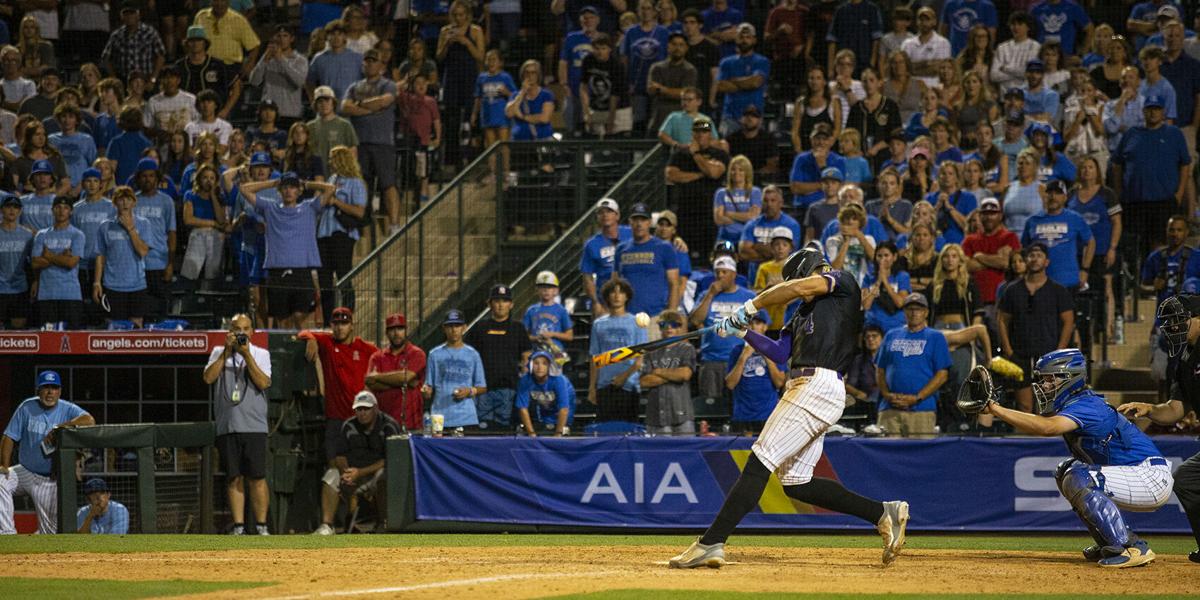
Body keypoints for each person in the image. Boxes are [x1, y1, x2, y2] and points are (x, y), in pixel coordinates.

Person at [668, 245, 909, 569]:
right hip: (805, 386)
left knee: (760, 459)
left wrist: (750, 305)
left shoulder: (842, 282)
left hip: (817, 385)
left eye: (795, 280)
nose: (795, 288)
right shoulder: (802, 313)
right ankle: (882, 512)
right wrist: (744, 332)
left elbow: (797, 288)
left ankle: (711, 542)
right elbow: (781, 353)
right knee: (797, 481)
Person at [978, 349, 1169, 567]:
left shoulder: (1087, 405)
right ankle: (1109, 542)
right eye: (1043, 379)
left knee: (1079, 476)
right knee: (1065, 470)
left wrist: (996, 409)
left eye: (1050, 379)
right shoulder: (1074, 403)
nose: (1044, 385)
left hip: (1149, 477)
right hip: (1135, 473)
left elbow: (1047, 427)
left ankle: (1129, 547)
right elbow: (1041, 423)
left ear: (1070, 378)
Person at [1118, 295, 1200, 564]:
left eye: (1179, 321)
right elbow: (1176, 409)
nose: (1173, 328)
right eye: (1170, 324)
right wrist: (1150, 409)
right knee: (1186, 479)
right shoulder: (1185, 358)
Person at [1, 371, 94, 536]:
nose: (50, 392)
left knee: (49, 534)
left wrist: (61, 427)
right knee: (1, 479)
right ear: (38, 390)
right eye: (46, 388)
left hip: (48, 480)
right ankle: (7, 533)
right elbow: (9, 437)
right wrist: (4, 465)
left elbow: (89, 420)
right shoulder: (27, 407)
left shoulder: (67, 408)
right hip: (25, 471)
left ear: (60, 391)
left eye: (54, 388)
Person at [203, 313, 272, 535]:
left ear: (252, 331)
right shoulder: (218, 352)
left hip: (254, 426)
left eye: (245, 328)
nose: (241, 333)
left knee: (257, 477)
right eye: (237, 329)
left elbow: (263, 382)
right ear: (230, 331)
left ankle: (261, 527)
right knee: (234, 478)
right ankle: (239, 527)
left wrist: (246, 355)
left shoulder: (261, 353)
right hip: (228, 426)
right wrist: (226, 352)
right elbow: (208, 378)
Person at [238, 172, 336, 328]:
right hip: (277, 272)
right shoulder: (270, 207)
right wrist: (272, 183)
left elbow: (330, 188)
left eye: (293, 187)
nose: (289, 191)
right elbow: (244, 189)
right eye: (285, 187)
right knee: (283, 322)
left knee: (301, 319)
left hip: (302, 272)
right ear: (280, 190)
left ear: (299, 191)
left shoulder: (309, 207)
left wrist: (306, 184)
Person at [997, 243, 1075, 413]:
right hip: (1020, 355)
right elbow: (1002, 320)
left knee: (1048, 407)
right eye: (1031, 255)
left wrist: (1059, 351)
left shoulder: (1058, 290)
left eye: (1039, 255)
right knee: (1023, 407)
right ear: (1026, 260)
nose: (1035, 259)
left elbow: (1068, 321)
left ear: (1046, 262)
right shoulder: (1012, 290)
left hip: (1048, 355)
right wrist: (1008, 351)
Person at [1111, 94, 1191, 259]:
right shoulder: (1131, 134)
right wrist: (1118, 192)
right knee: (1134, 246)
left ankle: (1160, 274)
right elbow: (1117, 164)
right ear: (1143, 111)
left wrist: (1180, 193)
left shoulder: (1174, 134)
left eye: (1157, 109)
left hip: (1164, 201)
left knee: (1161, 247)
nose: (1153, 113)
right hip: (1134, 202)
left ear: (1163, 112)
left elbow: (1185, 164)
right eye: (1149, 109)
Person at [314, 390, 401, 535]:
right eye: (359, 409)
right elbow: (340, 455)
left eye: (366, 409)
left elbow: (391, 459)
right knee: (331, 475)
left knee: (384, 475)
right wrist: (346, 473)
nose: (362, 413)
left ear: (375, 408)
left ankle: (383, 523)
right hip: (353, 474)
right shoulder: (349, 426)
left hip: (375, 474)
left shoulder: (389, 426)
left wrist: (360, 473)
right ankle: (327, 525)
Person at [300, 307, 379, 464]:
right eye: (336, 324)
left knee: (360, 465)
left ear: (352, 326)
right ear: (331, 325)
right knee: (334, 466)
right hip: (336, 419)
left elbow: (383, 360)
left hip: (360, 418)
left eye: (344, 323)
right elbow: (302, 333)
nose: (340, 328)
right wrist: (311, 339)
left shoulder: (366, 348)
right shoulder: (327, 343)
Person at [873, 292, 949, 437]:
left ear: (926, 312)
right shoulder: (891, 335)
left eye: (918, 309)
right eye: (910, 309)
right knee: (885, 450)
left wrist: (917, 397)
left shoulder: (936, 337)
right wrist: (886, 395)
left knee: (920, 451)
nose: (914, 313)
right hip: (889, 408)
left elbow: (942, 375)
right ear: (904, 311)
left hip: (922, 409)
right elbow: (880, 369)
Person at [342, 48, 398, 229]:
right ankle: (364, 226)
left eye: (374, 61)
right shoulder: (354, 86)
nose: (370, 64)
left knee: (388, 184)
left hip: (383, 143)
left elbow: (384, 101)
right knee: (362, 185)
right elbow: (345, 107)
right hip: (359, 144)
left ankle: (394, 225)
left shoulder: (388, 84)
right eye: (367, 61)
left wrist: (359, 106)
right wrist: (370, 109)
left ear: (381, 65)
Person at [690, 254, 755, 404]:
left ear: (734, 274)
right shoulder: (705, 295)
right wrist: (710, 294)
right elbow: (695, 320)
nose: (720, 275)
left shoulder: (748, 296)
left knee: (738, 404)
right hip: (711, 360)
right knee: (711, 406)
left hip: (739, 359)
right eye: (717, 272)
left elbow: (760, 324)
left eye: (724, 272)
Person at [465, 284, 530, 430]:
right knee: (483, 429)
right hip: (483, 389)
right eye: (497, 301)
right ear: (489, 304)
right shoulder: (479, 327)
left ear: (511, 304)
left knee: (504, 429)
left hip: (509, 388)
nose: (501, 305)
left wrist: (524, 379)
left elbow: (526, 355)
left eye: (505, 301)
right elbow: (468, 355)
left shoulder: (518, 328)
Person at [588, 277, 647, 423]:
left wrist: (623, 377)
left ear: (627, 296)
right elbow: (595, 358)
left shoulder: (637, 322)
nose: (616, 296)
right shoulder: (598, 324)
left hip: (629, 386)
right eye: (613, 292)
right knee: (605, 431)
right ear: (607, 296)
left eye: (621, 292)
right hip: (604, 385)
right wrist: (592, 387)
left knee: (628, 431)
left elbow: (639, 361)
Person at [665, 119, 729, 251]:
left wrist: (696, 154)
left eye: (704, 131)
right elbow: (671, 175)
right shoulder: (680, 153)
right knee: (684, 250)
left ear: (710, 134)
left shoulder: (719, 154)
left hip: (710, 213)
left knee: (709, 252)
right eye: (697, 131)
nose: (700, 135)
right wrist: (701, 174)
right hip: (685, 212)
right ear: (692, 133)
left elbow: (714, 173)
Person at [93, 186, 152, 327]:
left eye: (128, 199)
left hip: (137, 284)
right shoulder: (105, 226)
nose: (125, 203)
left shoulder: (144, 224)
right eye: (121, 199)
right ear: (114, 203)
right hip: (112, 285)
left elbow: (143, 252)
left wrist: (130, 228)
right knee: (113, 326)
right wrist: (97, 282)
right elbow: (100, 256)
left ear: (134, 202)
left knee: (136, 325)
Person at [1022, 179, 1094, 292]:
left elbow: (1090, 242)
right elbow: (1024, 248)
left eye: (1057, 193)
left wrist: (1085, 270)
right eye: (1050, 193)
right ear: (1044, 196)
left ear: (1065, 197)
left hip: (1068, 282)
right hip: (1039, 283)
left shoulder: (1075, 218)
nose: (1053, 196)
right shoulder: (1032, 221)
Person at [422, 309, 488, 431]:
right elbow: (428, 385)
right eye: (450, 326)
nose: (454, 330)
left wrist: (469, 391)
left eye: (457, 326)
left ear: (464, 327)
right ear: (444, 328)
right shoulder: (434, 354)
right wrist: (426, 391)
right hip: (440, 417)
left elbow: (482, 387)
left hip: (466, 417)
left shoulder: (473, 355)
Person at [614, 202, 680, 320]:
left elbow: (674, 284)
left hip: (656, 316)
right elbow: (615, 283)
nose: (639, 224)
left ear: (649, 222)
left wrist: (670, 315)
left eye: (643, 219)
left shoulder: (664, 248)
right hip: (626, 316)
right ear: (630, 222)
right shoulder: (621, 249)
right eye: (635, 219)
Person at [131, 158, 176, 322]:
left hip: (159, 262)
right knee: (139, 310)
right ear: (138, 178)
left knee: (160, 310)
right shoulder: (132, 202)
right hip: (136, 263)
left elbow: (171, 233)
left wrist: (170, 264)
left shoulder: (166, 201)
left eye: (151, 176)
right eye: (144, 176)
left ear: (157, 178)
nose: (148, 179)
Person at [724, 312, 785, 434]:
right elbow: (730, 384)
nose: (752, 327)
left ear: (765, 327)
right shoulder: (737, 350)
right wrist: (743, 357)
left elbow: (779, 383)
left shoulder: (775, 349)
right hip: (743, 416)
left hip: (768, 415)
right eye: (749, 323)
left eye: (757, 323)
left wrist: (766, 354)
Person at [31, 196, 85, 328]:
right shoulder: (42, 234)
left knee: (71, 337)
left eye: (66, 208)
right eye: (58, 207)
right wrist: (61, 257)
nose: (61, 211)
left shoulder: (77, 235)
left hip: (70, 295)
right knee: (48, 337)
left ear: (71, 211)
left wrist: (48, 255)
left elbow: (71, 263)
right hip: (46, 294)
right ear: (52, 210)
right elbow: (35, 263)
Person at [366, 313, 426, 431]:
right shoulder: (377, 357)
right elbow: (370, 383)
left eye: (400, 328)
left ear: (406, 330)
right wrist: (402, 382)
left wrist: (377, 377)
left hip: (411, 424)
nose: (396, 333)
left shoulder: (416, 353)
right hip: (383, 424)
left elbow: (406, 377)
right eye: (392, 329)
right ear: (386, 333)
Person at [640, 310, 697, 434]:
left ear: (680, 328)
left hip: (681, 414)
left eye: (674, 324)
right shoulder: (651, 351)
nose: (669, 328)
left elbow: (685, 375)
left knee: (685, 447)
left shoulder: (687, 349)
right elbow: (644, 381)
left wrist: (657, 371)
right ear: (660, 327)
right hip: (656, 417)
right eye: (664, 324)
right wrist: (673, 375)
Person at [714, 23, 769, 137]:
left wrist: (732, 81)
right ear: (736, 39)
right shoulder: (726, 62)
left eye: (748, 37)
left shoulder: (762, 61)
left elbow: (755, 83)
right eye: (741, 37)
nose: (744, 40)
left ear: (754, 40)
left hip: (754, 118)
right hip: (730, 118)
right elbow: (721, 86)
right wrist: (746, 83)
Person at [963, 197, 1020, 307]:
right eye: (985, 214)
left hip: (1003, 299)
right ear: (980, 216)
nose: (989, 217)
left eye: (993, 214)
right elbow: (966, 266)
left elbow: (1006, 263)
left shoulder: (1009, 237)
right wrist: (995, 259)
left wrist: (979, 256)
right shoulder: (970, 240)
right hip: (975, 299)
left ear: (1000, 216)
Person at [580, 198, 632, 316]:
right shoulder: (591, 244)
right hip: (606, 301)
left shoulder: (631, 233)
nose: (605, 215)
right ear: (597, 218)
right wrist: (596, 302)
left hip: (632, 297)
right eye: (601, 212)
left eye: (609, 211)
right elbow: (587, 278)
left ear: (617, 215)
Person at [739, 185, 801, 282]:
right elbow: (744, 252)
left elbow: (790, 254)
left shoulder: (791, 225)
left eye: (773, 200)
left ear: (781, 203)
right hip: (755, 280)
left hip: (781, 280)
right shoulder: (752, 224)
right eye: (766, 201)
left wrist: (757, 246)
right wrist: (772, 256)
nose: (769, 204)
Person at [176, 27, 242, 119]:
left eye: (199, 40)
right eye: (192, 41)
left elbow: (236, 85)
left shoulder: (217, 65)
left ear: (205, 43)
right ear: (186, 44)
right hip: (186, 115)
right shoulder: (179, 66)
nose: (195, 43)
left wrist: (226, 110)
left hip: (215, 116)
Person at [248, 27, 308, 123]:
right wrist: (264, 59)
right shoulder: (267, 59)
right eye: (278, 36)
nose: (281, 39)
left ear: (292, 39)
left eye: (285, 36)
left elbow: (299, 81)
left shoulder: (300, 60)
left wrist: (281, 59)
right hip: (268, 114)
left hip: (291, 113)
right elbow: (254, 81)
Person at [101, 1, 167, 82]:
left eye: (132, 13)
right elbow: (105, 58)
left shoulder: (150, 32)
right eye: (126, 14)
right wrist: (114, 78)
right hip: (124, 80)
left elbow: (161, 56)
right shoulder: (116, 35)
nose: (129, 16)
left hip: (145, 79)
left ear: (138, 15)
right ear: (121, 16)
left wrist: (153, 79)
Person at [648, 32, 697, 132]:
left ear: (686, 48)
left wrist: (662, 89)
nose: (677, 48)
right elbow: (651, 90)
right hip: (658, 119)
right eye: (674, 44)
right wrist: (675, 92)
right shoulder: (657, 67)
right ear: (668, 47)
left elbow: (686, 95)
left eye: (681, 45)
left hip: (681, 120)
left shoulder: (690, 70)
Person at [516, 350, 574, 436]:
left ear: (550, 366)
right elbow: (522, 408)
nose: (540, 367)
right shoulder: (525, 380)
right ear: (530, 365)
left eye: (544, 363)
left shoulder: (559, 380)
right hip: (542, 411)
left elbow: (564, 409)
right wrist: (531, 433)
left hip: (562, 412)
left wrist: (558, 434)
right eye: (536, 363)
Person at [306, 20, 362, 103]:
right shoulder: (319, 58)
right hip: (327, 106)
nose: (336, 37)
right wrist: (313, 100)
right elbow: (309, 82)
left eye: (340, 34)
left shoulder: (357, 58)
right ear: (327, 37)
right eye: (332, 34)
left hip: (351, 106)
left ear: (345, 36)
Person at [825, 0, 883, 75]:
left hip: (864, 64)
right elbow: (832, 40)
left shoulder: (872, 9)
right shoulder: (840, 10)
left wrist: (871, 65)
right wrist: (830, 69)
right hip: (844, 63)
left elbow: (876, 40)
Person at [0, 196, 31, 328]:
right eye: (8, 206)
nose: (12, 210)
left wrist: (35, 281)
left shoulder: (27, 235)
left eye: (16, 207)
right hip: (0, 288)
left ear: (20, 211)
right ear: (1, 210)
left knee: (18, 330)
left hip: (20, 288)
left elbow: (34, 262)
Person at [902, 7, 950, 88]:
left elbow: (938, 70)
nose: (924, 23)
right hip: (912, 88)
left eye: (927, 20)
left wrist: (913, 68)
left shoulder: (943, 43)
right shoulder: (907, 44)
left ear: (934, 22)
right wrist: (927, 63)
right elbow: (903, 68)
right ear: (917, 22)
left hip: (935, 88)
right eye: (921, 20)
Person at [725, 105, 778, 177]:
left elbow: (772, 166)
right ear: (741, 119)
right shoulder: (732, 139)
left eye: (754, 115)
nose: (749, 118)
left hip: (760, 178)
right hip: (737, 177)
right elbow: (729, 163)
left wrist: (752, 175)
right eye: (746, 115)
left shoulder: (769, 139)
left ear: (760, 121)